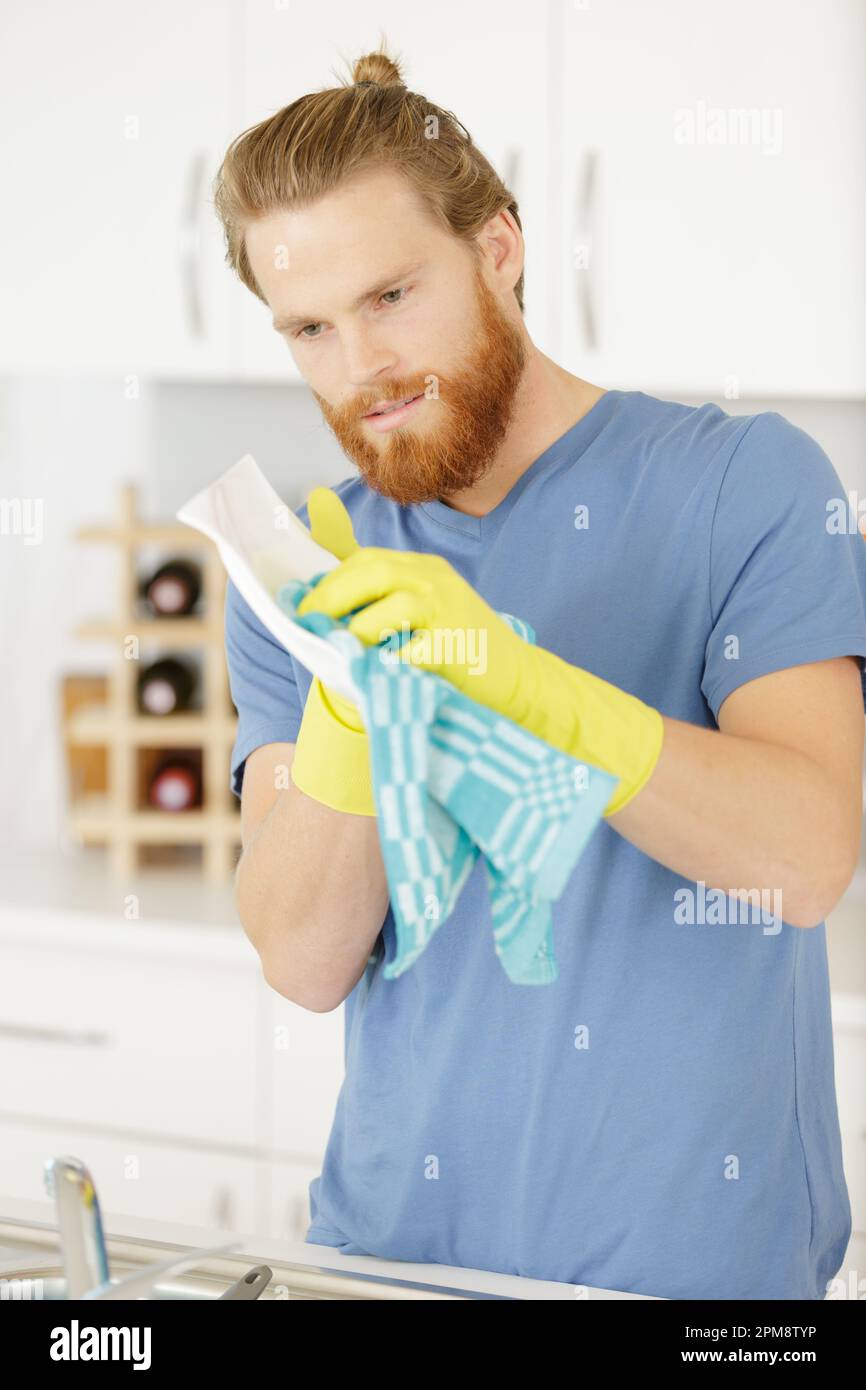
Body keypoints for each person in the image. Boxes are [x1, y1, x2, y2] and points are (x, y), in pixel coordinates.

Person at [214, 44, 866, 1299]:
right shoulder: (312, 572)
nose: (360, 369)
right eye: (309, 328)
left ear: (500, 248)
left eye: (392, 295)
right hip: (388, 1262)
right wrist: (353, 695)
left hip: (696, 1287)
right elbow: (300, 959)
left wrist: (522, 682)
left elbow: (806, 859)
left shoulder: (747, 485)